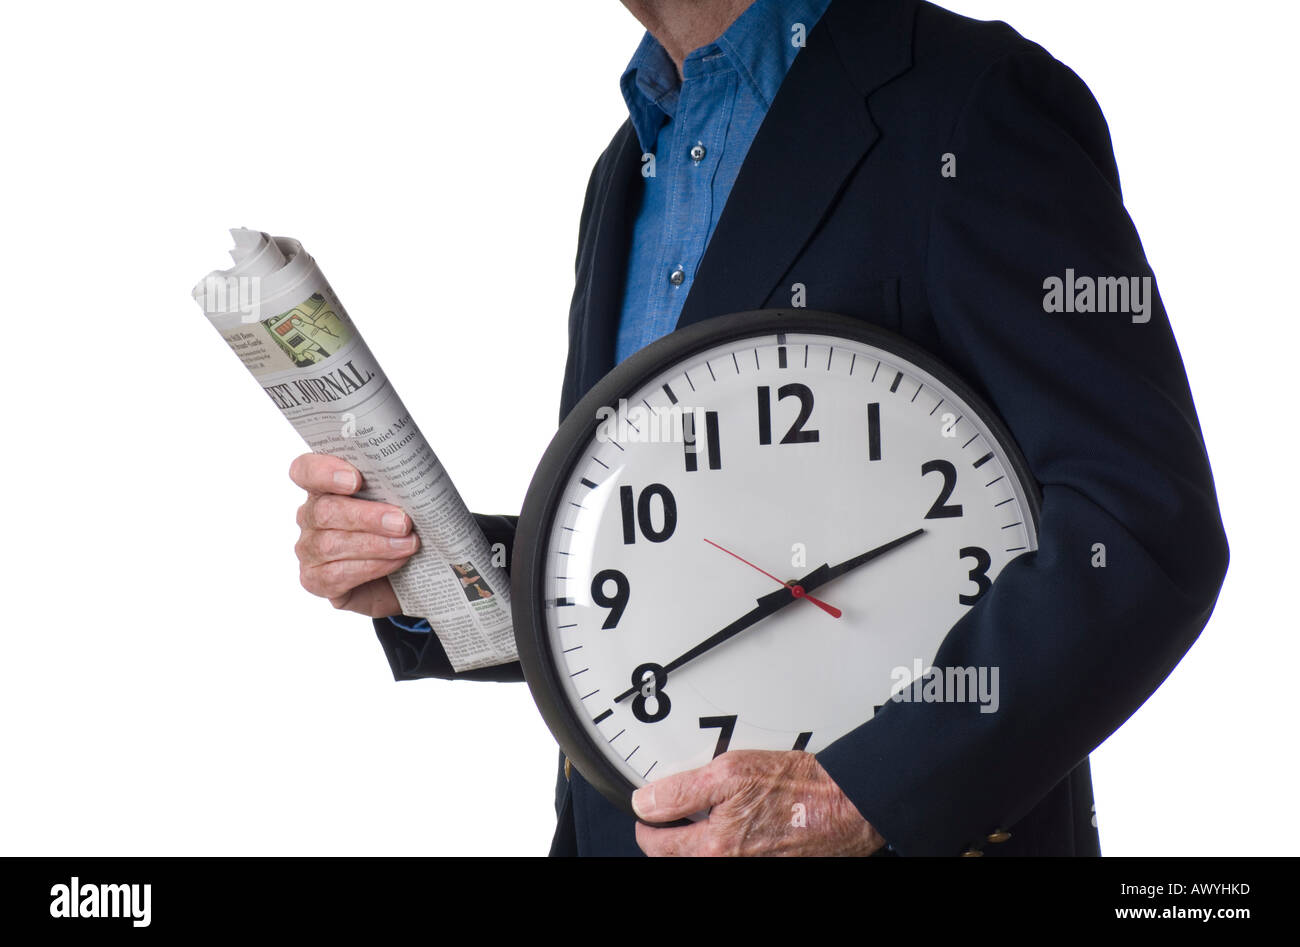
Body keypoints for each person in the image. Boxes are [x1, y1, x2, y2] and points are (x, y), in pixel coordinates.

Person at [289, 0, 1229, 856]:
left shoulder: (969, 102)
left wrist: (865, 793)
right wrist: (429, 572)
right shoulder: (627, 165)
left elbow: (1139, 521)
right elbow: (658, 554)